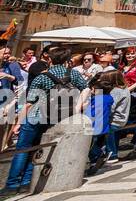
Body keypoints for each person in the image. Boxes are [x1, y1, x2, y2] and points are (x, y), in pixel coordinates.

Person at [5, 47, 86, 192]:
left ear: (49, 59)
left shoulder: (42, 77)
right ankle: (27, 181)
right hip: (54, 117)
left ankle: (12, 184)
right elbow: (86, 88)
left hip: (35, 117)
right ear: (67, 60)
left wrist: (18, 123)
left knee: (23, 149)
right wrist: (77, 107)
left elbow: (29, 103)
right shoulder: (73, 74)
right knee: (38, 148)